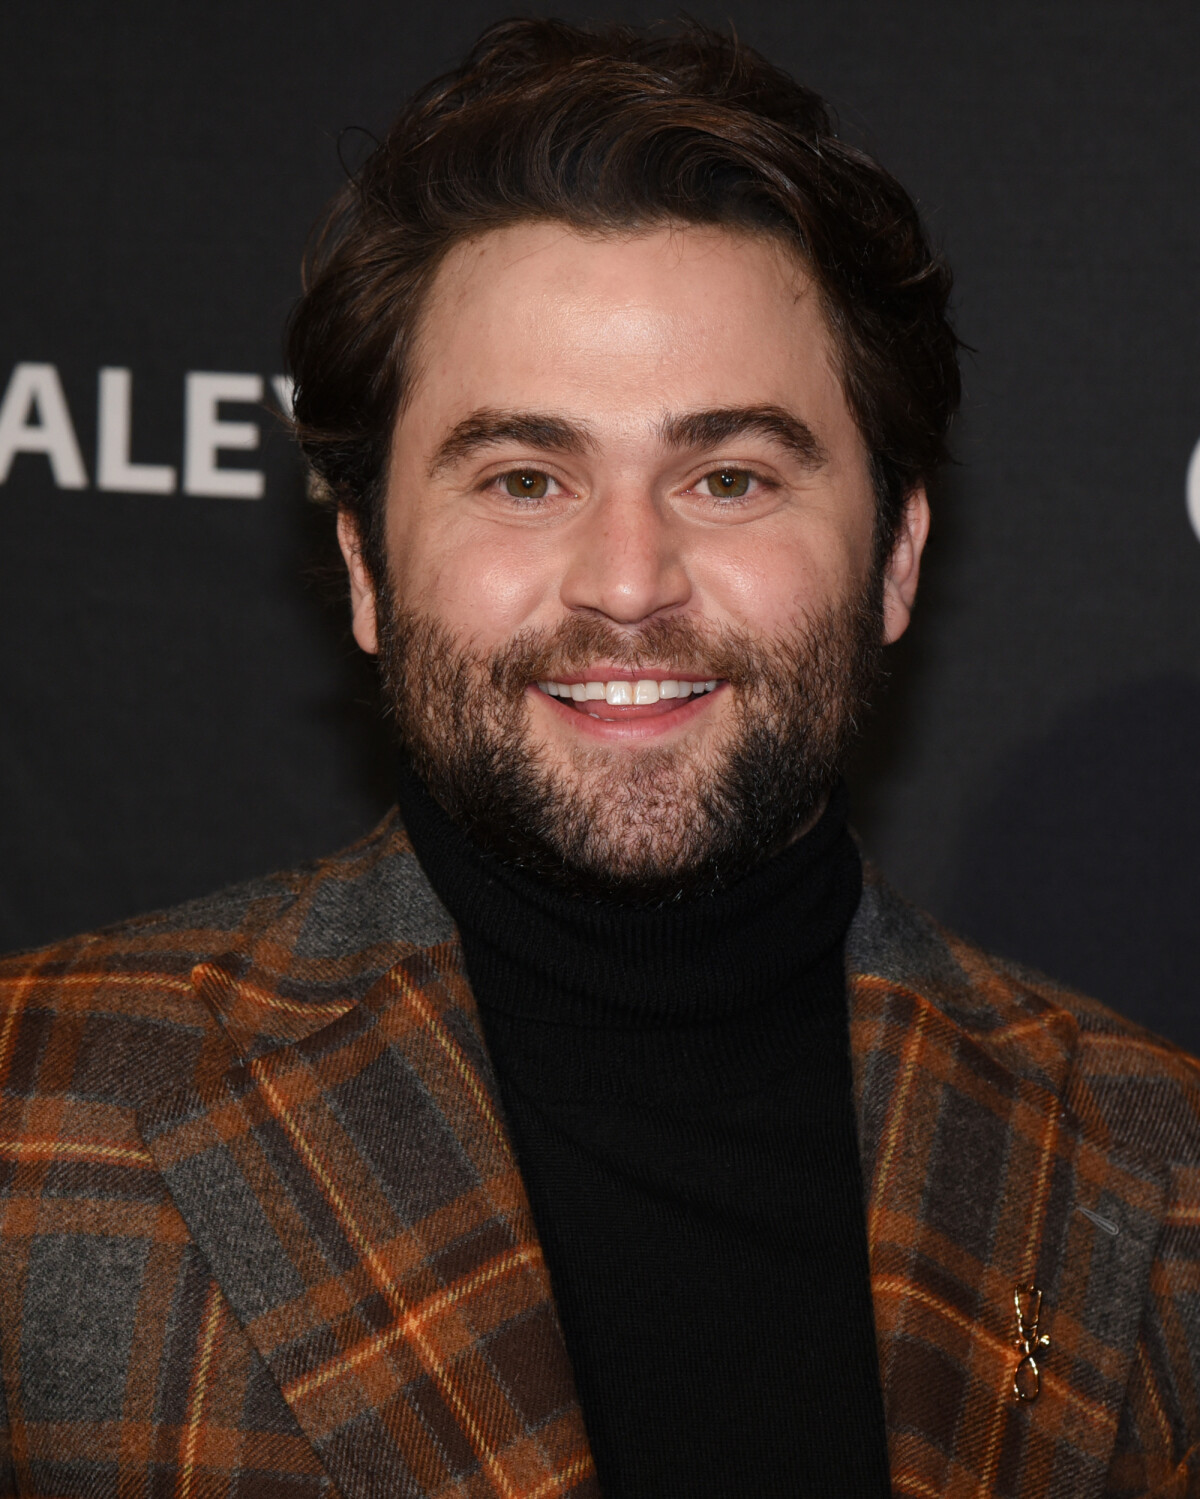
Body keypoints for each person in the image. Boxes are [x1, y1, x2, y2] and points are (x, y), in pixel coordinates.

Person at [1, 18, 1196, 1499]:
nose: (628, 580)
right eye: (523, 477)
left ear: (895, 559)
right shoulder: (36, 1121)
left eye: (730, 476)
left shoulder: (1158, 1170)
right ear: (367, 566)